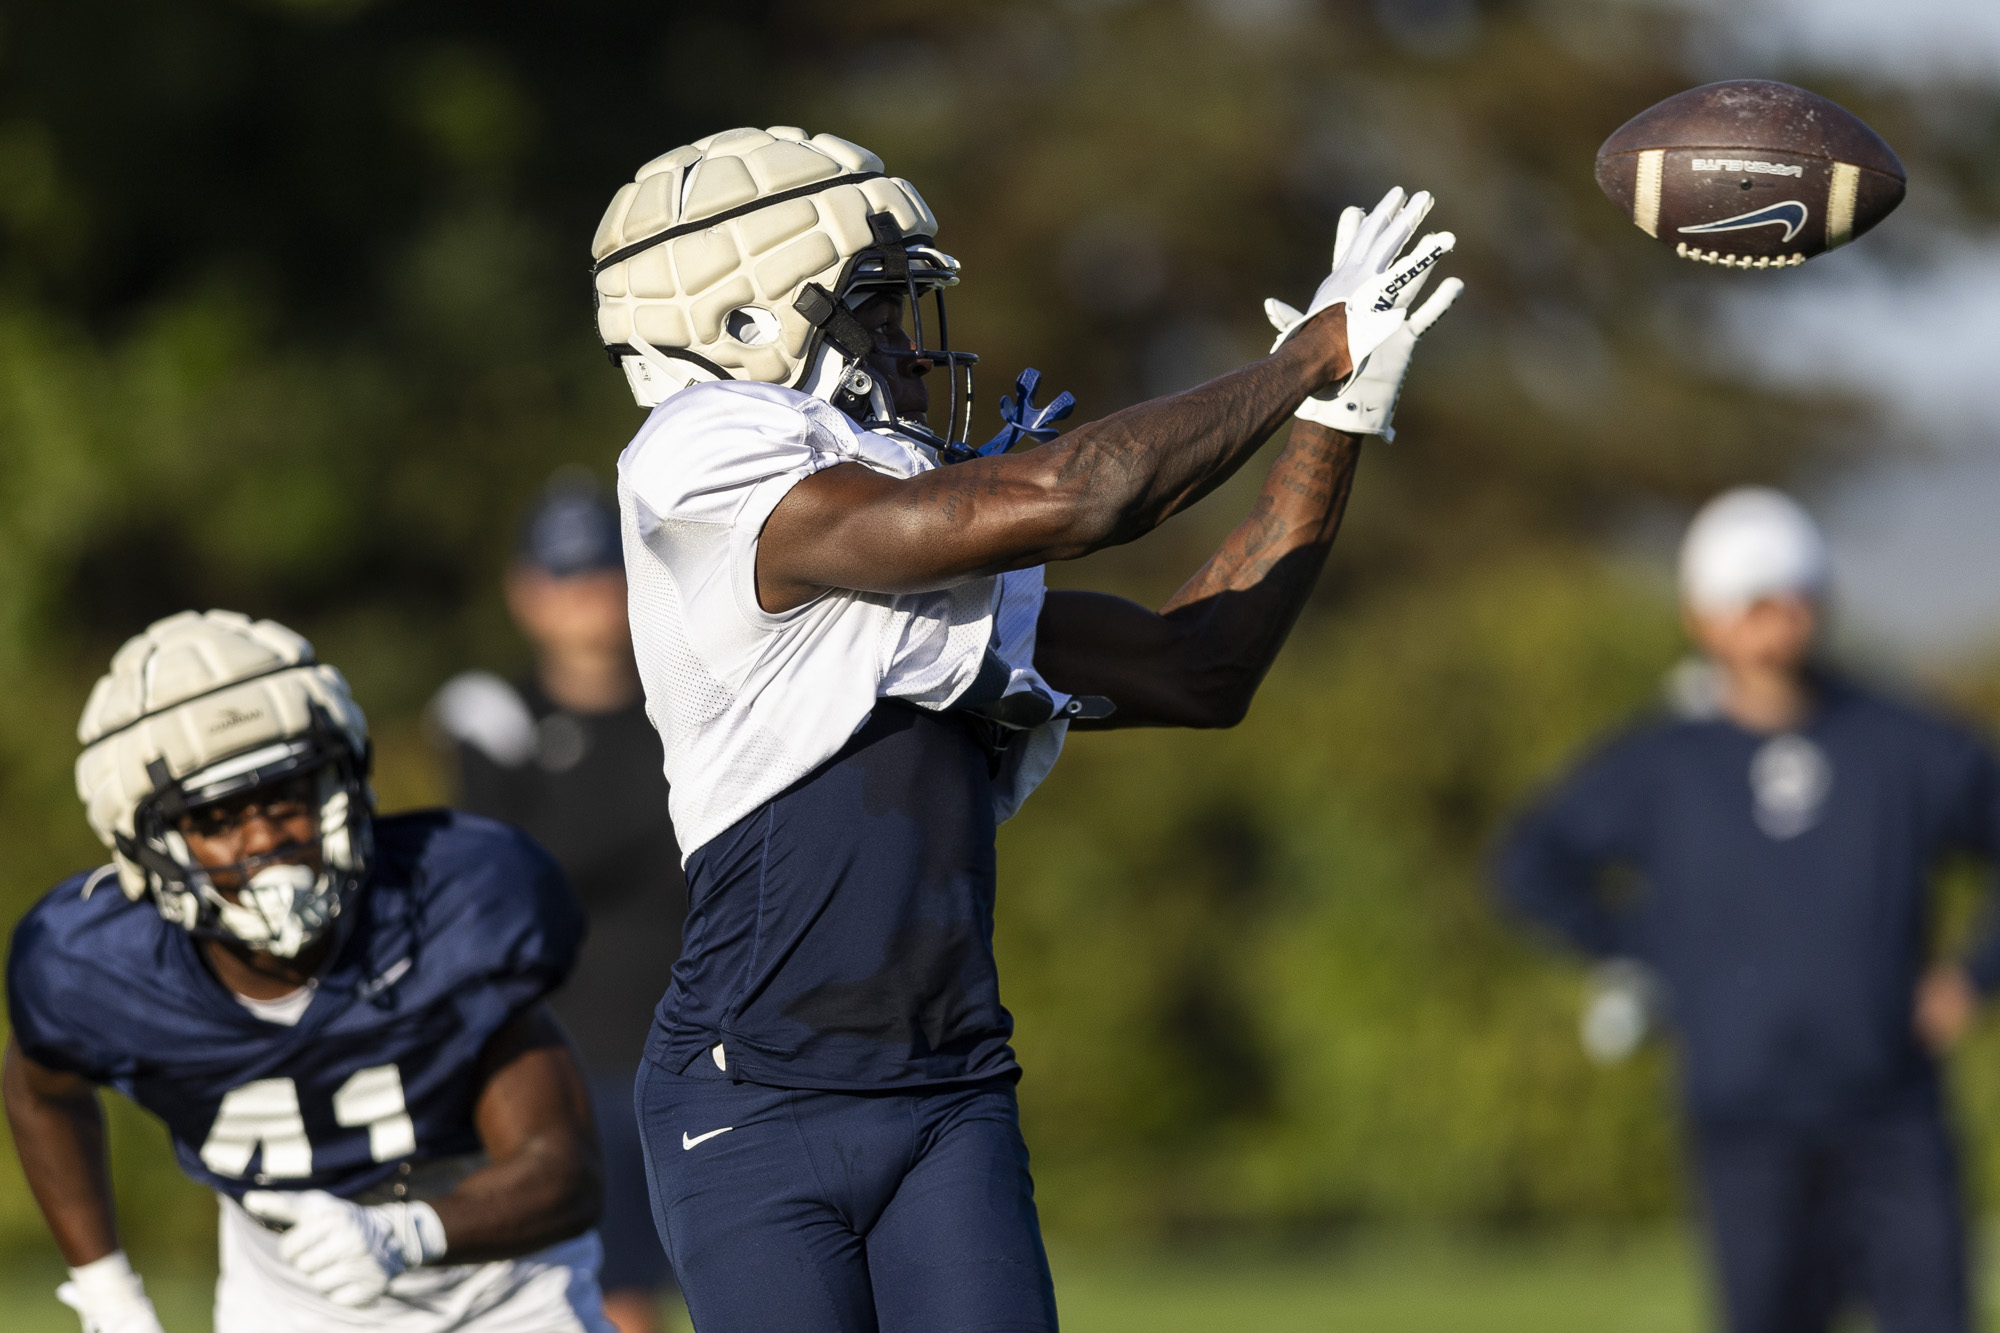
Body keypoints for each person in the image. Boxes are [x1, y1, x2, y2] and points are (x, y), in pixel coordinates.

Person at [585, 126, 1462, 1331]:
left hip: (948, 1086)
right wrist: (1307, 354)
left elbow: (1199, 668)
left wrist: (1340, 414)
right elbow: (1080, 494)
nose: (904, 344)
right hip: (754, 1100)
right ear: (743, 326)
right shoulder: (700, 462)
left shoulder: (886, 536)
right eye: (874, 311)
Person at [4, 610, 613, 1333]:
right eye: (218, 816)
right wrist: (106, 1292)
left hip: (500, 1293)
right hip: (286, 1304)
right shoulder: (98, 966)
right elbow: (41, 1087)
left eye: (285, 797)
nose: (264, 839)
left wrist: (406, 1232)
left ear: (340, 784)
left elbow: (564, 1174)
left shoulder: (454, 901)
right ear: (149, 844)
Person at [1496, 488, 2000, 1333]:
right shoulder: (1663, 763)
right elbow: (1530, 864)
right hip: (1745, 1120)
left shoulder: (1903, 742)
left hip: (1892, 1111)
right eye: (1750, 604)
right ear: (1704, 617)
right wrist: (1654, 953)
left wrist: (1972, 977)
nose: (1774, 625)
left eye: (1789, 597)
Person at [431, 475, 685, 1333]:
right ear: (524, 590)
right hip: (568, 1051)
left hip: (701, 1039)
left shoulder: (694, 702)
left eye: (605, 573)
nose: (588, 597)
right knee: (607, 1295)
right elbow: (510, 875)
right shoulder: (490, 714)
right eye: (565, 575)